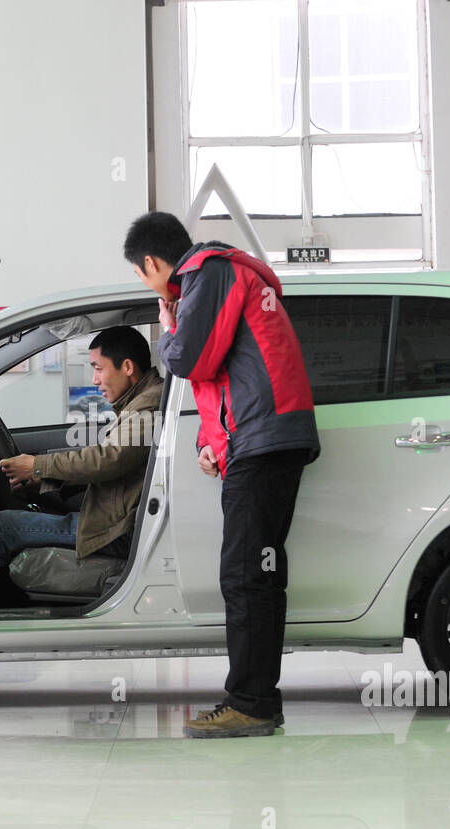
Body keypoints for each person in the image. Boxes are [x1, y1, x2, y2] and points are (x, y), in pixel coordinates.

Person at [124, 211, 319, 739]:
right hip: (258, 440)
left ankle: (252, 704)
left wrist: (167, 331)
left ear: (151, 264)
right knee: (254, 573)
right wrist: (210, 443)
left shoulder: (208, 272)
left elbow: (189, 359)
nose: (149, 287)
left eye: (141, 277)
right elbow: (222, 375)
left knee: (246, 576)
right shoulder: (218, 277)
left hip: (265, 441)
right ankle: (257, 700)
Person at [0, 325, 163, 597]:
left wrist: (36, 465)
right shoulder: (140, 402)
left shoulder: (148, 406)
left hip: (119, 529)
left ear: (127, 367)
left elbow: (108, 460)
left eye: (98, 368)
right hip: (114, 518)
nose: (94, 379)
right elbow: (110, 466)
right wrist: (40, 480)